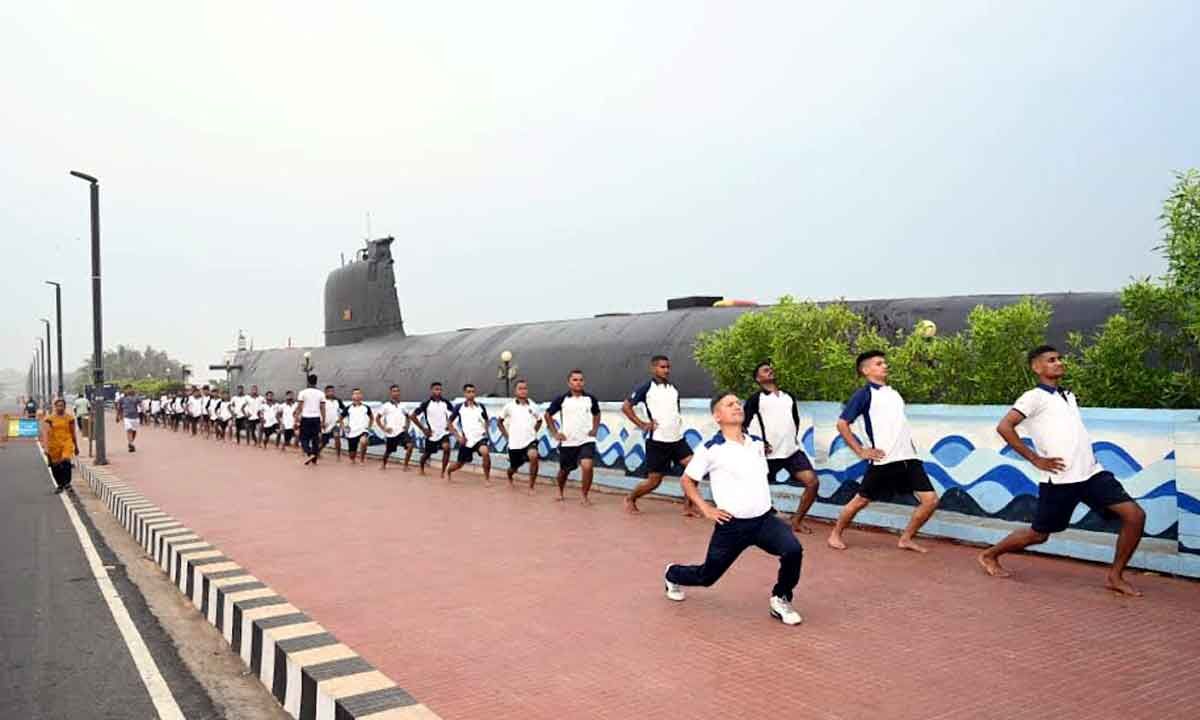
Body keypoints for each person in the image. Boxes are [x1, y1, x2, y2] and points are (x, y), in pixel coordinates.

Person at [978, 345, 1147, 596]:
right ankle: (990, 555)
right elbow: (1005, 427)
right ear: (1037, 367)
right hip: (1060, 479)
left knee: (1135, 516)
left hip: (1091, 474)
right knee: (1038, 535)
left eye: (1059, 359)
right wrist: (1035, 458)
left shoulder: (1067, 395)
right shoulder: (1033, 397)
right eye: (1051, 360)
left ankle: (1115, 575)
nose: (1059, 363)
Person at [663, 393, 805, 626]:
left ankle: (780, 598)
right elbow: (687, 481)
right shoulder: (711, 449)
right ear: (717, 416)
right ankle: (673, 574)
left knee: (793, 551)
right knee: (707, 577)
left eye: (738, 403)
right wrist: (706, 509)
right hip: (732, 525)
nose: (737, 407)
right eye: (730, 405)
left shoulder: (757, 443)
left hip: (764, 520)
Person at [827, 351, 939, 553]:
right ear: (866, 370)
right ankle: (835, 534)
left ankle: (905, 538)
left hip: (908, 458)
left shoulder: (894, 394)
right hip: (883, 460)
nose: (885, 366)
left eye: (885, 363)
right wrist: (861, 451)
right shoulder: (864, 394)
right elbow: (842, 424)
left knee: (930, 501)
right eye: (879, 363)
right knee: (861, 501)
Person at [742, 362, 820, 533]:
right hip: (768, 455)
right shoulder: (756, 399)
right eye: (764, 370)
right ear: (758, 378)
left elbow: (795, 420)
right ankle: (751, 519)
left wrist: (792, 439)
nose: (770, 370)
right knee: (753, 487)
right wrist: (758, 443)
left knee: (812, 483)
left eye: (770, 368)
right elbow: (743, 425)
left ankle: (796, 521)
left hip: (791, 451)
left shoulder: (788, 396)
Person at [623, 355, 698, 516]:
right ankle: (630, 498)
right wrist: (642, 424)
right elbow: (626, 406)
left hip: (677, 439)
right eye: (662, 367)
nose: (666, 370)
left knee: (695, 468)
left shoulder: (673, 388)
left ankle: (688, 506)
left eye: (668, 367)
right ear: (654, 368)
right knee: (654, 481)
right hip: (658, 441)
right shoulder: (646, 388)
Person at [544, 370, 601, 504]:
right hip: (568, 441)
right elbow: (547, 415)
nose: (578, 382)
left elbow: (597, 414)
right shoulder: (562, 399)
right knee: (564, 471)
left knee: (587, 466)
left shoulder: (590, 398)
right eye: (575, 380)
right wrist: (555, 433)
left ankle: (585, 495)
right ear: (569, 383)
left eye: (581, 380)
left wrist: (595, 429)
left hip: (586, 439)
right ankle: (560, 490)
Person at [498, 379, 542, 493]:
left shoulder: (533, 405)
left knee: (534, 456)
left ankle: (531, 486)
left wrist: (534, 431)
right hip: (515, 444)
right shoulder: (509, 406)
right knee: (513, 468)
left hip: (530, 440)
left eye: (525, 388)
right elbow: (499, 422)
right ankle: (509, 475)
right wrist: (506, 436)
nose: (523, 391)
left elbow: (539, 420)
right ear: (515, 391)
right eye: (520, 388)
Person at [446, 384, 491, 483]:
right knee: (459, 464)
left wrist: (485, 431)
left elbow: (487, 420)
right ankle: (449, 470)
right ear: (465, 394)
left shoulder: (480, 406)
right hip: (466, 441)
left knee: (485, 452)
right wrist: (458, 437)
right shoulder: (459, 407)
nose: (471, 394)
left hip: (480, 439)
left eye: (473, 392)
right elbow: (449, 423)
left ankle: (487, 479)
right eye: (469, 392)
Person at [411, 382, 455, 478]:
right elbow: (413, 416)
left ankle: (443, 472)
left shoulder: (446, 403)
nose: (438, 391)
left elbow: (454, 414)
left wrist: (450, 425)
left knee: (447, 448)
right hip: (432, 434)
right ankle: (421, 467)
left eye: (440, 389)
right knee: (427, 454)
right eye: (436, 389)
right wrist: (423, 429)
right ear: (432, 390)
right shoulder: (426, 404)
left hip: (444, 433)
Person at [44, 397, 80, 494]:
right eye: (58, 406)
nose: (60, 408)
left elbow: (73, 433)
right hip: (54, 445)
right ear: (55, 407)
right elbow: (46, 433)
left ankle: (67, 483)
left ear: (65, 406)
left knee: (66, 461)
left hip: (66, 443)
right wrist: (46, 447)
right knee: (55, 466)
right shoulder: (49, 419)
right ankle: (60, 484)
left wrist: (76, 446)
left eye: (62, 406)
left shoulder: (70, 418)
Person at [375, 385, 411, 470]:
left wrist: (407, 426)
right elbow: (377, 418)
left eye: (398, 391)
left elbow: (408, 417)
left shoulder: (403, 406)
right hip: (391, 433)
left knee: (410, 446)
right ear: (391, 393)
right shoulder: (386, 406)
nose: (396, 393)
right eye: (394, 391)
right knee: (388, 452)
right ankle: (383, 464)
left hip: (402, 432)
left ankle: (405, 466)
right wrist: (384, 428)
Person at [295, 374, 326, 465]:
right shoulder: (321, 393)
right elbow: (322, 408)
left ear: (308, 382)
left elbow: (300, 407)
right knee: (315, 439)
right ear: (316, 382)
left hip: (306, 418)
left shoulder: (303, 393)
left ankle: (309, 453)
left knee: (303, 438)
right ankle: (314, 459)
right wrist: (323, 420)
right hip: (316, 418)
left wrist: (296, 419)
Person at [345, 388, 375, 465]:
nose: (357, 395)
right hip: (352, 432)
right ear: (352, 396)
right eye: (355, 393)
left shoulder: (366, 407)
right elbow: (340, 419)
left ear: (361, 396)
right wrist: (344, 427)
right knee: (352, 457)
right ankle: (353, 458)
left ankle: (362, 459)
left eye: (359, 393)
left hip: (363, 431)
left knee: (363, 441)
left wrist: (369, 427)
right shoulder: (348, 408)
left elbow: (372, 418)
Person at [319, 385, 346, 460]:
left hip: (335, 424)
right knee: (323, 442)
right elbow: (318, 412)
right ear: (326, 392)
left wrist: (341, 419)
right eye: (330, 391)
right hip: (325, 424)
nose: (332, 393)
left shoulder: (338, 400)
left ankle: (338, 456)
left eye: (333, 391)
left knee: (337, 437)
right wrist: (321, 422)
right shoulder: (322, 401)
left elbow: (345, 410)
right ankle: (317, 452)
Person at [119, 384, 142, 453]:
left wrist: (143, 408)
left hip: (135, 417)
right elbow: (119, 408)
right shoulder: (122, 399)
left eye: (130, 388)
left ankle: (130, 443)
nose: (128, 390)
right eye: (127, 389)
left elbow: (141, 404)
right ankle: (131, 444)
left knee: (134, 431)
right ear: (124, 391)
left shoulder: (136, 397)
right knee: (129, 430)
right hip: (127, 417)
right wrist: (118, 416)